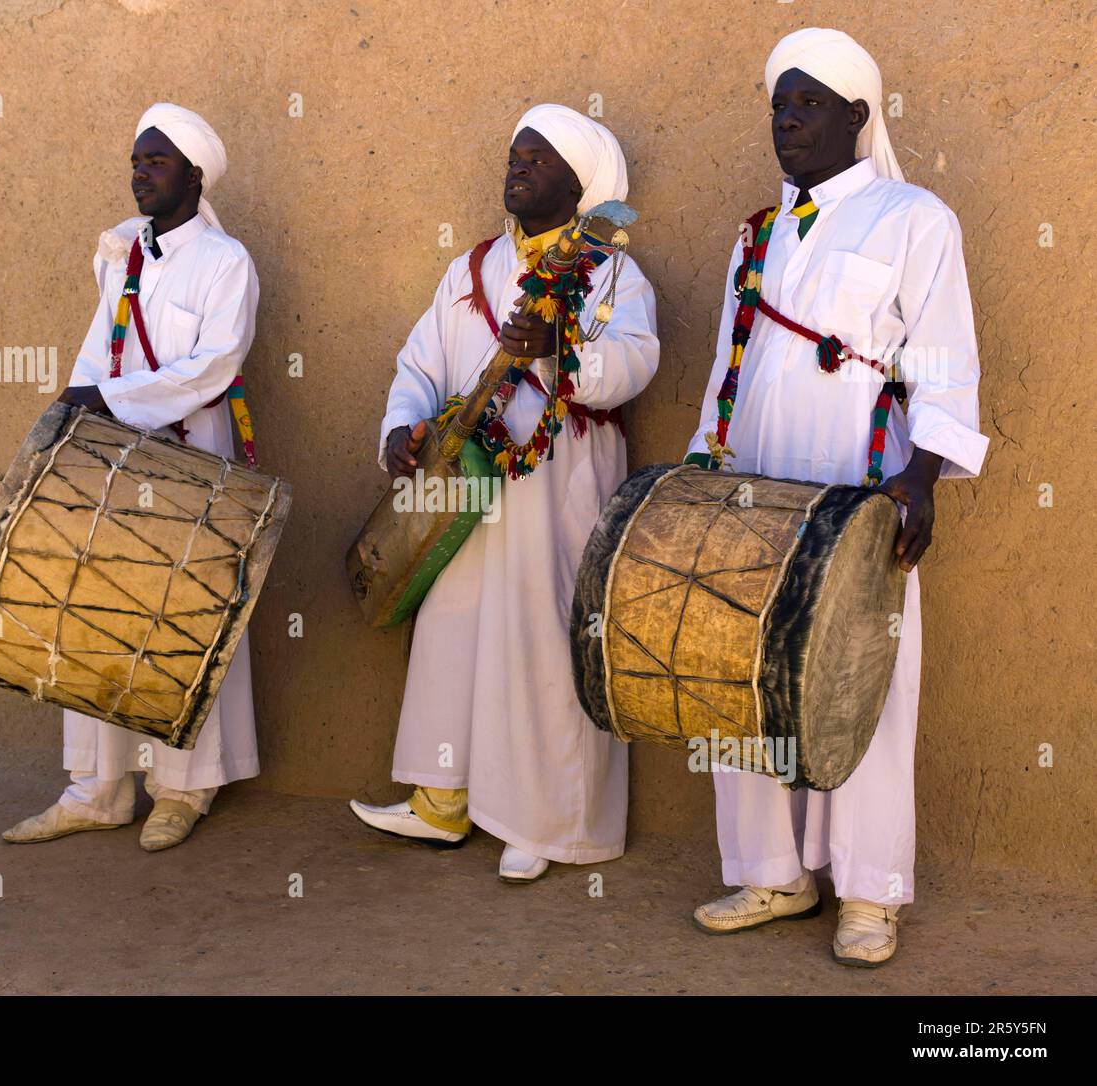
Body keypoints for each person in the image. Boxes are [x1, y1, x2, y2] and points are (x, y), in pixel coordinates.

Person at [685, 29, 988, 965]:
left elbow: (942, 354)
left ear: (859, 117)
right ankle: (771, 872)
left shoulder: (914, 217)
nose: (788, 119)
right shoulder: (756, 233)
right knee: (745, 664)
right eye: (780, 104)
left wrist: (922, 479)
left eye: (809, 104)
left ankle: (868, 892)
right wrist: (704, 461)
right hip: (757, 478)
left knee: (862, 677)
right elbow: (729, 364)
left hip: (861, 482)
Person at [350, 104, 660, 882]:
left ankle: (547, 822)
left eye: (538, 156)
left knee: (541, 637)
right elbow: (419, 362)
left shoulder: (612, 272)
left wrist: (562, 353)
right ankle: (441, 800)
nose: (517, 165)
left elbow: (636, 362)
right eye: (515, 153)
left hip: (556, 483)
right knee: (451, 624)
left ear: (578, 182)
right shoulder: (472, 267)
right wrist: (403, 426)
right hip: (462, 481)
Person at [3, 103, 261, 852]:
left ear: (193, 175)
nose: (139, 174)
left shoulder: (226, 262)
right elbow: (97, 355)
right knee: (96, 605)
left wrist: (111, 400)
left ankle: (185, 790)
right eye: (135, 162)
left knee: (186, 616)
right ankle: (98, 788)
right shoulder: (125, 257)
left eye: (155, 162)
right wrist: (76, 414)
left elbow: (216, 364)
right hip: (112, 455)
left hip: (189, 456)